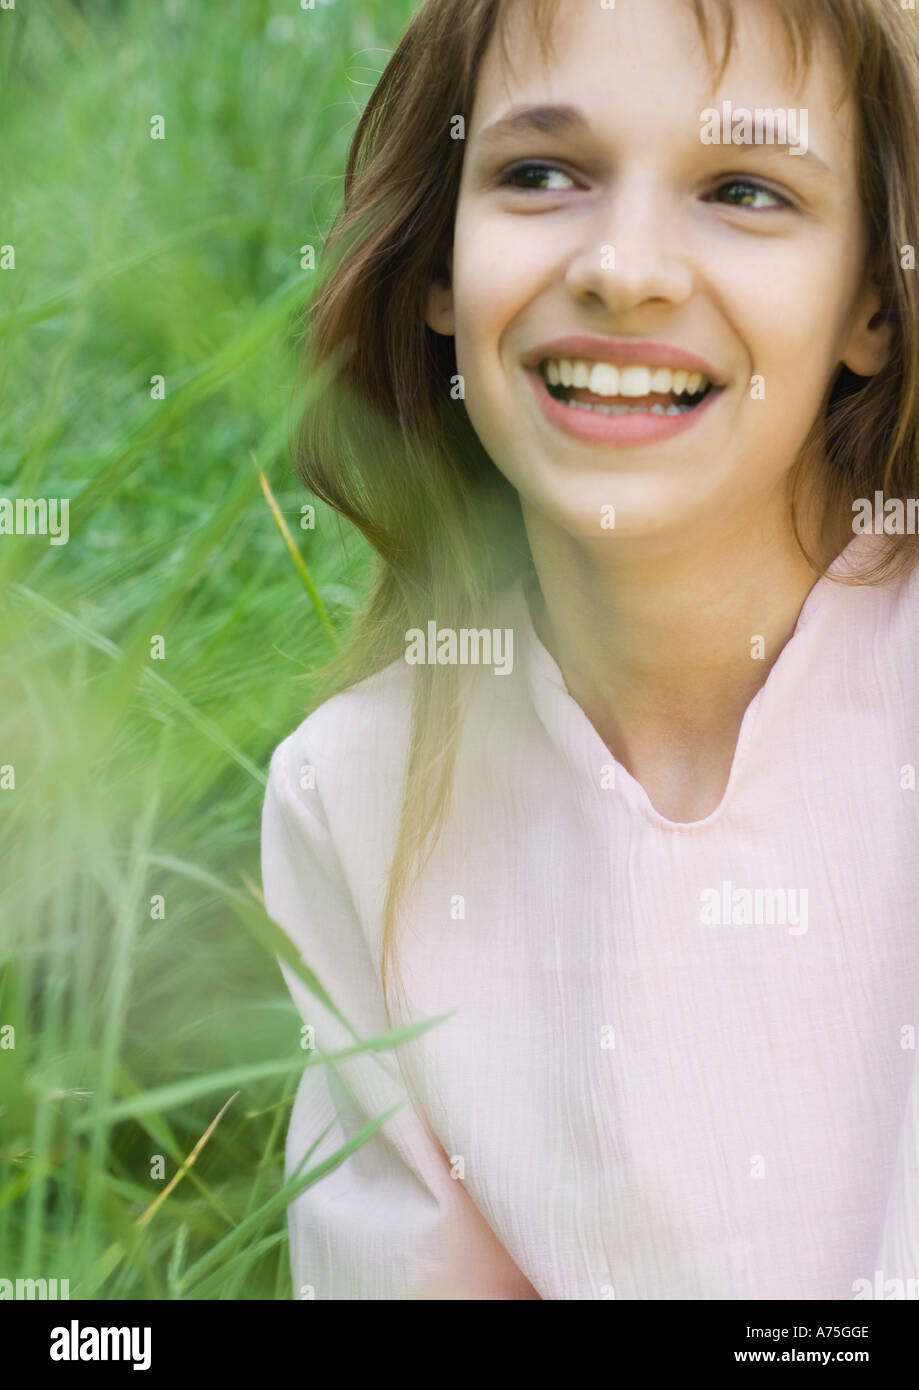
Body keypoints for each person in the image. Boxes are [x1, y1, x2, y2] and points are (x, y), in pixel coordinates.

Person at [261, 0, 919, 1299]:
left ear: (873, 306)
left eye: (743, 188)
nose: (625, 268)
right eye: (541, 174)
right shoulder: (358, 795)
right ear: (441, 265)